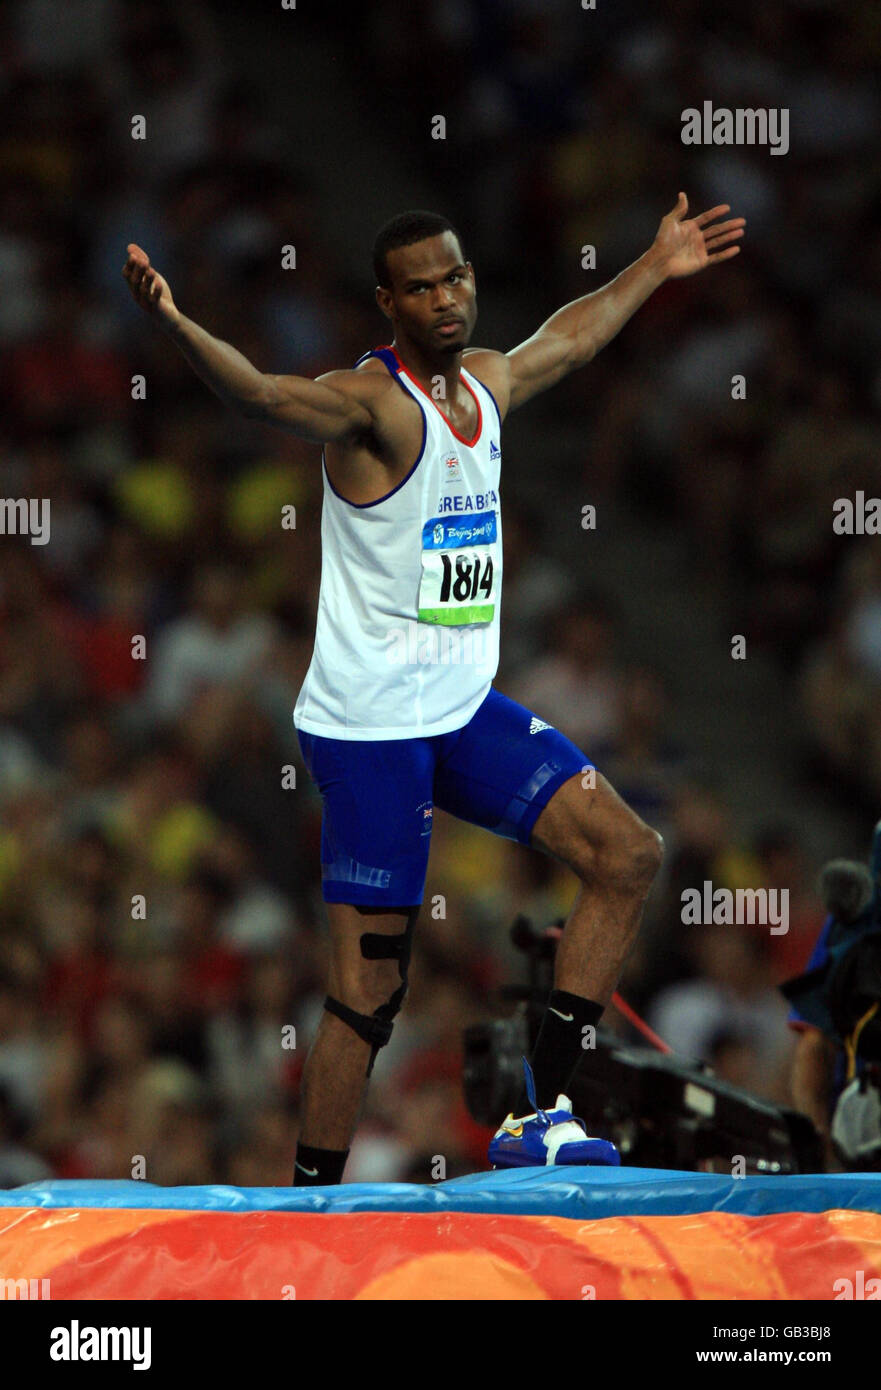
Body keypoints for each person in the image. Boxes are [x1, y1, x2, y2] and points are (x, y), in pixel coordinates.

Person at [123, 192, 744, 1183]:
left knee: (626, 855)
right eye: (420, 288)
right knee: (367, 1000)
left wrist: (653, 265)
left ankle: (538, 1110)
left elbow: (568, 340)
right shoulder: (370, 408)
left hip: (456, 709)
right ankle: (311, 1210)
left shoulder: (486, 385)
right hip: (369, 730)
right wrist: (174, 321)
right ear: (389, 304)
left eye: (454, 276)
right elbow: (264, 398)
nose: (446, 298)